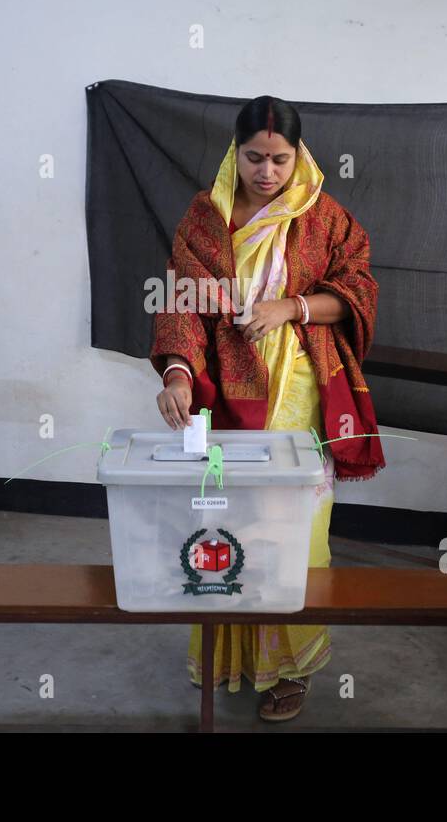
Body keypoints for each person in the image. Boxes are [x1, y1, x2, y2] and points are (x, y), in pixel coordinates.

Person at [152, 96, 385, 722]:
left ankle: (291, 670)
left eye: (280, 160)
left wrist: (292, 307)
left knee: (294, 536)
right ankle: (231, 659)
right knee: (224, 530)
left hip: (301, 399)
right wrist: (178, 375)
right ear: (235, 153)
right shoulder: (208, 219)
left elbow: (359, 292)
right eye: (255, 158)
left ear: (298, 156)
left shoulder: (322, 216)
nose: (267, 173)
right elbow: (182, 305)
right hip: (226, 396)